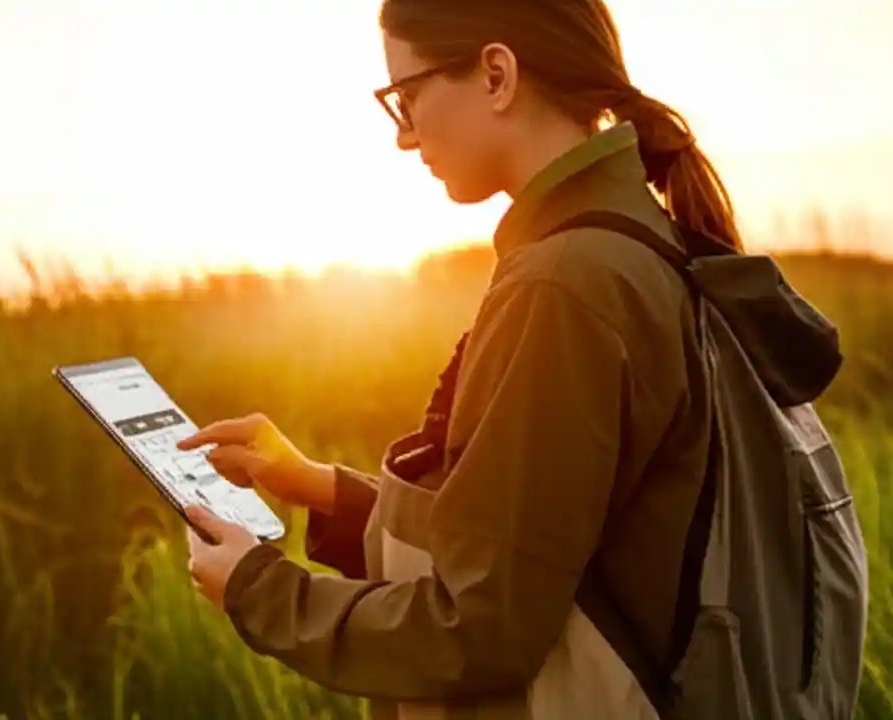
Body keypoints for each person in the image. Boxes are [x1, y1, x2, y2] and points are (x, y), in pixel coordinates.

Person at [178, 1, 743, 717]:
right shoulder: (631, 244)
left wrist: (259, 589)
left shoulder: (564, 283)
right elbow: (537, 545)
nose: (404, 136)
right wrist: (321, 489)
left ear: (497, 75)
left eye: (406, 96)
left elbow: (480, 627)